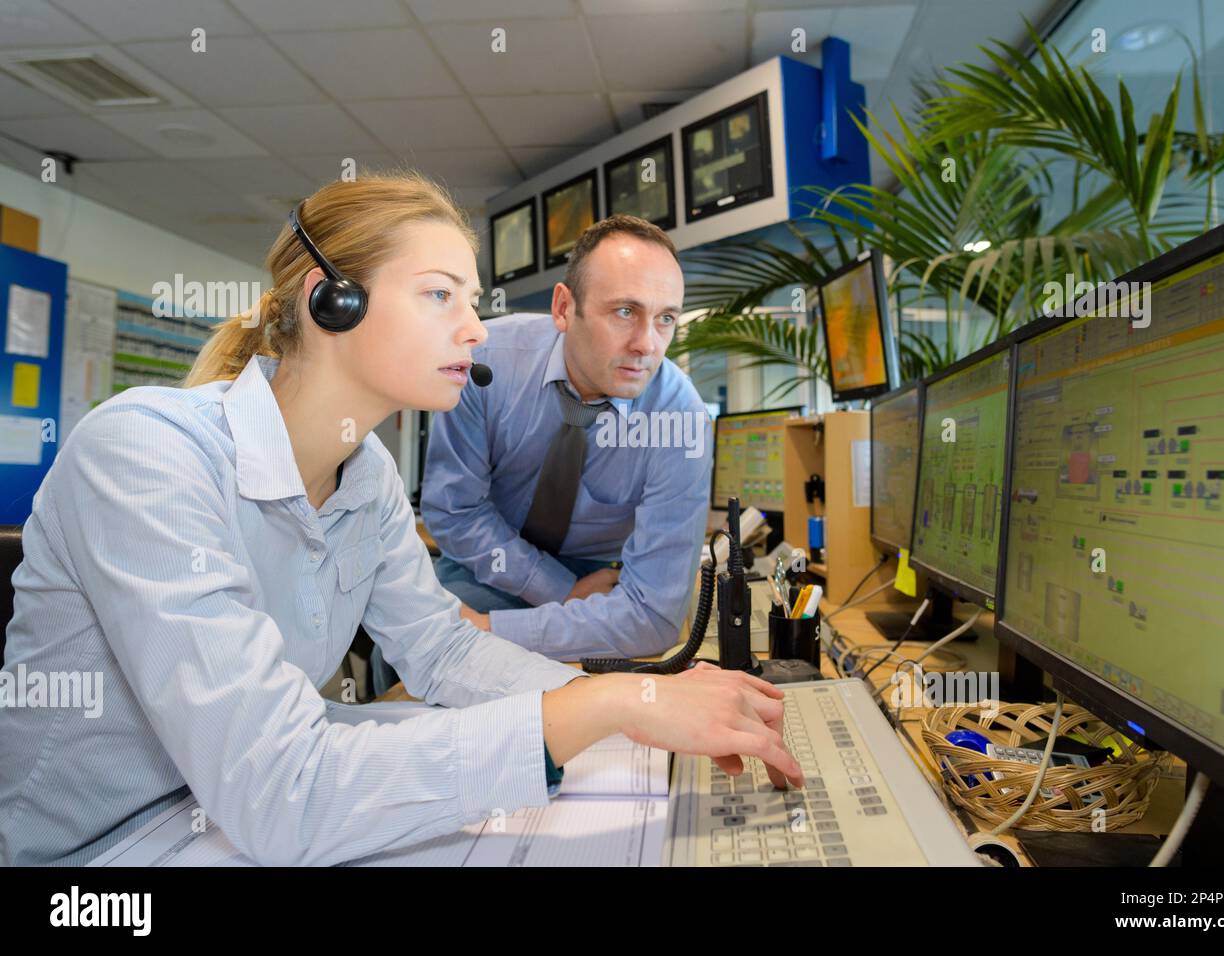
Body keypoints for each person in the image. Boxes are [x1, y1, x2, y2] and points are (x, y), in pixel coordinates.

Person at [0, 172, 802, 867]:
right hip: (104, 852)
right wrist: (610, 706)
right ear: (332, 303)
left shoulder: (367, 471)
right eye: (438, 295)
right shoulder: (144, 453)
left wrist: (638, 698)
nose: (477, 329)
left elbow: (444, 650)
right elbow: (282, 792)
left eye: (473, 301)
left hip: (225, 821)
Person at [393, 216, 709, 681]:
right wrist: (559, 590)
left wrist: (489, 631)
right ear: (564, 307)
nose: (647, 344)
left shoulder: (681, 420)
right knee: (411, 658)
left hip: (603, 579)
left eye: (666, 319)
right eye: (625, 311)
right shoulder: (486, 362)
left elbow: (653, 616)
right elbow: (454, 511)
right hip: (490, 559)